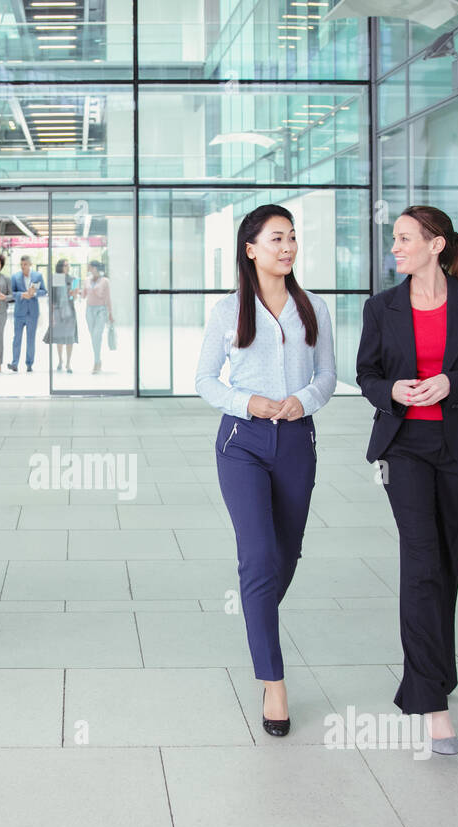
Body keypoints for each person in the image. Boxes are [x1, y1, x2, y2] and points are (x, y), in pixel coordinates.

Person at [356, 205, 458, 755]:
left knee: (447, 560)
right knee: (422, 562)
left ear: (435, 244)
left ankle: (436, 672)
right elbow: (367, 375)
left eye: (403, 238)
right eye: (393, 239)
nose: (394, 248)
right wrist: (393, 392)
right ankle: (431, 702)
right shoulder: (382, 307)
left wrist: (451, 382)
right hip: (405, 450)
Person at [195, 204, 336, 737]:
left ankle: (258, 616)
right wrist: (247, 401)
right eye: (277, 238)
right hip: (243, 443)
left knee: (285, 555)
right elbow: (205, 380)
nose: (288, 246)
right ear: (250, 248)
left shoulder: (314, 308)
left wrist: (303, 400)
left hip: (298, 440)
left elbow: (328, 374)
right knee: (256, 558)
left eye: (293, 237)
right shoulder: (229, 310)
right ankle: (273, 683)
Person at [8, 255, 44, 372]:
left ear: (30, 264)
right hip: (19, 312)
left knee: (30, 339)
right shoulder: (15, 277)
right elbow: (11, 293)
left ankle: (29, 364)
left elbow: (44, 291)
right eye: (21, 265)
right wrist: (22, 294)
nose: (23, 267)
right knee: (17, 338)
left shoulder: (37, 276)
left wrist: (34, 294)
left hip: (32, 312)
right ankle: (14, 363)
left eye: (25, 264)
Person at [46, 258, 80, 373]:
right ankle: (60, 360)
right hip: (58, 312)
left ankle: (68, 363)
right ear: (60, 267)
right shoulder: (57, 278)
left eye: (68, 265)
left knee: (70, 338)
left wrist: (73, 294)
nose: (68, 267)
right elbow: (52, 298)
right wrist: (51, 315)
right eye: (65, 265)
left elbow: (74, 298)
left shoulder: (73, 279)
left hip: (70, 312)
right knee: (60, 338)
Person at [83, 260, 112, 373]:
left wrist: (111, 313)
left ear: (95, 268)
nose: (89, 269)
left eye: (90, 267)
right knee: (94, 337)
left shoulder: (105, 281)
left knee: (96, 335)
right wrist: (76, 292)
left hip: (101, 310)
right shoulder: (86, 280)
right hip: (89, 310)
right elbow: (84, 295)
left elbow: (108, 297)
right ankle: (97, 360)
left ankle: (97, 361)